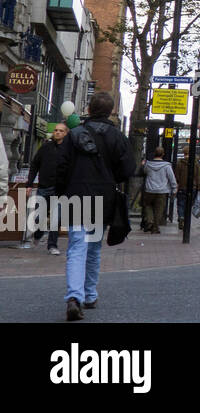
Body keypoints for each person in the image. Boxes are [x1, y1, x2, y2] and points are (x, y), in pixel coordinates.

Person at [56, 92, 133, 321]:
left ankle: (74, 297)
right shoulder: (117, 137)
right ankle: (89, 294)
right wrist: (110, 178)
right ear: (110, 112)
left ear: (88, 109)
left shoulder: (74, 135)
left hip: (77, 195)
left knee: (76, 247)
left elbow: (61, 167)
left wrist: (61, 193)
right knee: (94, 248)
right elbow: (127, 170)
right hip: (103, 198)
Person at [25, 122, 68, 253]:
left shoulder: (69, 150)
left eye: (61, 131)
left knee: (56, 218)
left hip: (60, 189)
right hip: (44, 187)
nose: (57, 132)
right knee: (39, 217)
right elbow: (34, 165)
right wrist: (29, 184)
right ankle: (38, 234)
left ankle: (52, 245)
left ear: (66, 133)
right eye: (56, 130)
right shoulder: (46, 147)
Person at [139, 147, 176, 234]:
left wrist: (143, 165)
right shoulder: (167, 166)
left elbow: (143, 172)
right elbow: (171, 178)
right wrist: (174, 188)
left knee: (148, 205)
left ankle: (150, 221)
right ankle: (155, 227)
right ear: (163, 154)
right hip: (162, 191)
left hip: (149, 189)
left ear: (154, 153)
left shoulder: (148, 164)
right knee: (159, 209)